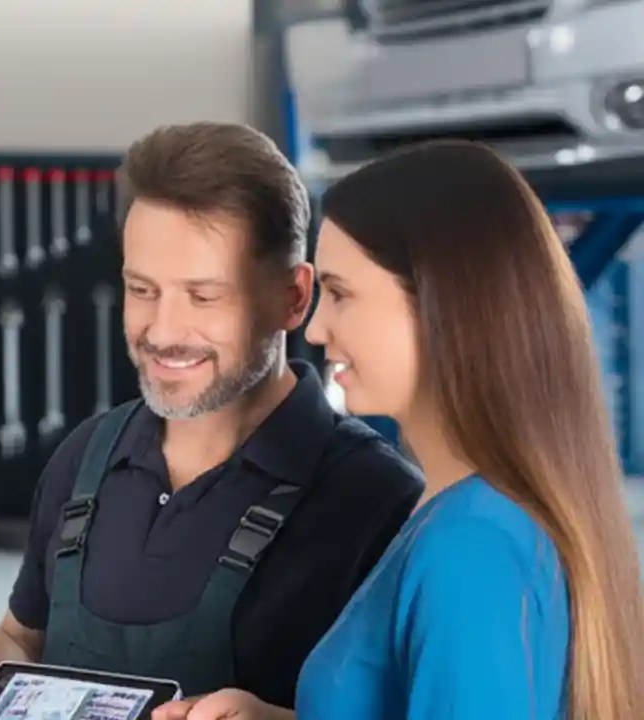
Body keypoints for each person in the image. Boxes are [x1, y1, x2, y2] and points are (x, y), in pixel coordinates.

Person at [0, 122, 425, 716]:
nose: (163, 331)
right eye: (142, 290)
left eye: (203, 296)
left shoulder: (377, 500)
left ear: (293, 298)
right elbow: (21, 641)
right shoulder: (86, 457)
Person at [154, 141, 644, 720]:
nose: (315, 329)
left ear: (442, 305)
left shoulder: (471, 545)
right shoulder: (465, 516)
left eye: (340, 293)